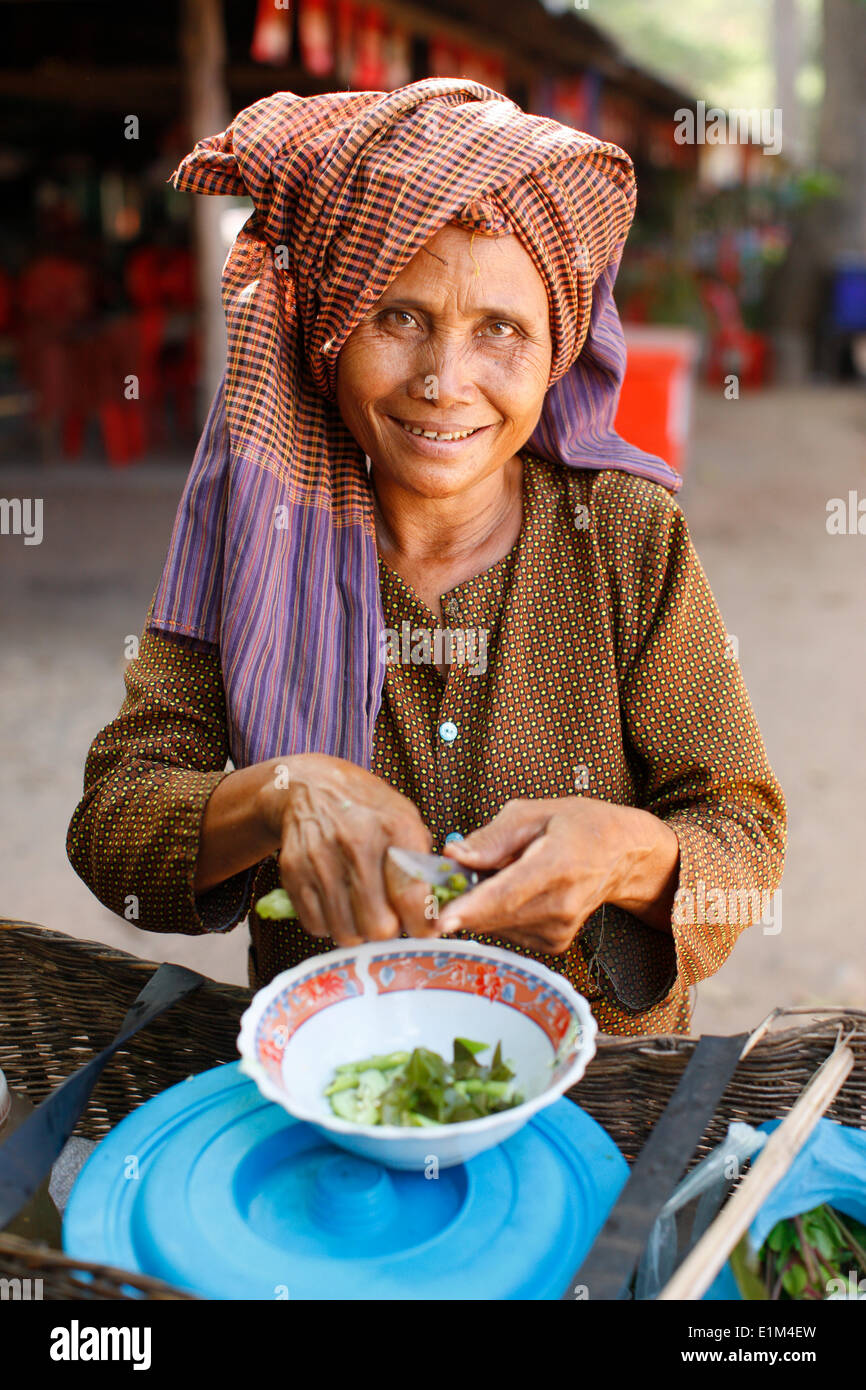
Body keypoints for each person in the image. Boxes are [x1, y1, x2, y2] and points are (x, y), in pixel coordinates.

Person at [67, 79, 785, 1036]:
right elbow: (114, 823)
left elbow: (745, 844)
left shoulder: (624, 534)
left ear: (557, 350)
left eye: (502, 330)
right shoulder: (258, 537)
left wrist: (625, 853)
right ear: (329, 330)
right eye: (398, 317)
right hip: (340, 1081)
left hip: (599, 1103)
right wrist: (282, 794)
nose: (446, 384)